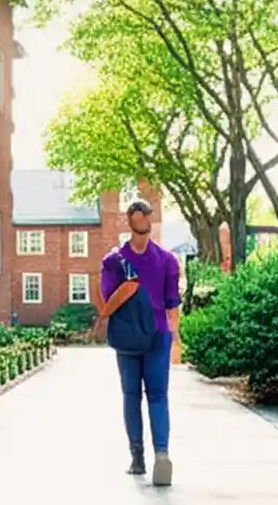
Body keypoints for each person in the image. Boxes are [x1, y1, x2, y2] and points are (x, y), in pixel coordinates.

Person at [99, 199, 181, 486]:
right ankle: (150, 454)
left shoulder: (122, 260)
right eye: (140, 216)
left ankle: (149, 456)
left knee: (142, 396)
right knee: (145, 396)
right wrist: (176, 340)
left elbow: (171, 303)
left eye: (141, 215)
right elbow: (171, 305)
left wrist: (176, 340)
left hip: (142, 335)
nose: (141, 220)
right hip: (144, 335)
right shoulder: (120, 261)